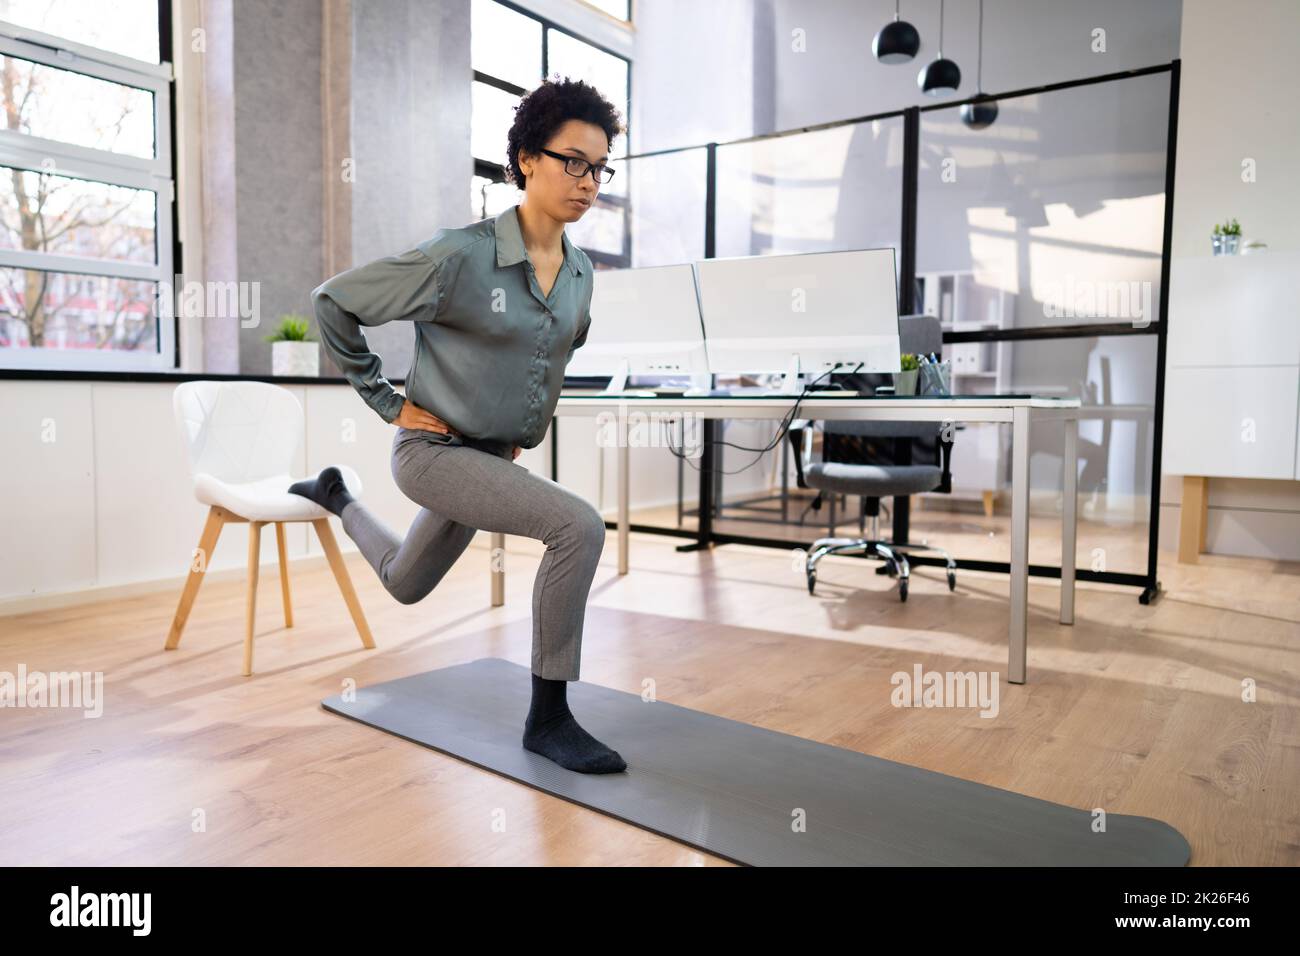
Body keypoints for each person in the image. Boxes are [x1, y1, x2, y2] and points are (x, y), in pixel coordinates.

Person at [289, 77, 627, 774]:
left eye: (600, 168)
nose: (588, 181)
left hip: (491, 460)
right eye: (573, 161)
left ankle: (335, 496)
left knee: (406, 583)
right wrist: (386, 399)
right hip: (433, 452)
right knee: (578, 526)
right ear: (527, 159)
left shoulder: (582, 274)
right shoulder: (460, 254)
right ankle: (549, 718)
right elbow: (333, 302)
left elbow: (550, 349)